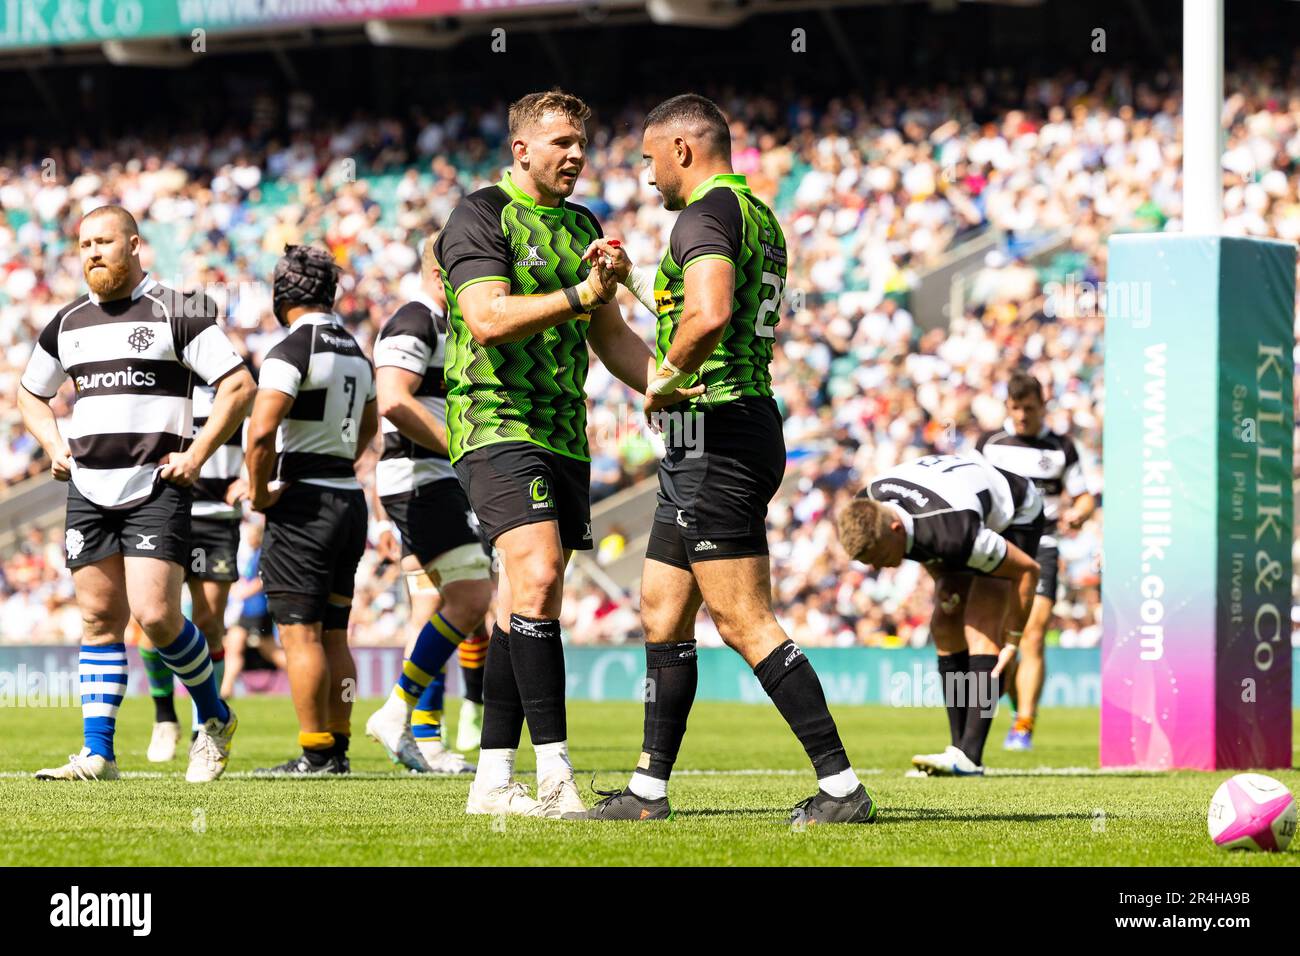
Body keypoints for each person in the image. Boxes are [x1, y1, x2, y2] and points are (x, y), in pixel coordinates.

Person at [582, 94, 874, 824]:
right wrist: (627, 285)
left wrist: (665, 379)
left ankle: (843, 789)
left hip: (716, 433)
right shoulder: (754, 214)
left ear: (683, 149)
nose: (647, 177)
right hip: (718, 432)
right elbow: (707, 310)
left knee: (743, 619)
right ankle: (649, 791)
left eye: (650, 160)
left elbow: (708, 316)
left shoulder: (704, 215)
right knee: (661, 610)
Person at [434, 89, 697, 818]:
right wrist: (582, 292)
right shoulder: (479, 216)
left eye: (581, 141)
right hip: (494, 421)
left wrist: (673, 384)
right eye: (560, 142)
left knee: (528, 599)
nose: (576, 153)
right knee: (540, 574)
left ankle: (491, 782)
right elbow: (486, 319)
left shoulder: (582, 224)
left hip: (563, 432)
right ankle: (555, 779)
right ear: (521, 150)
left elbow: (610, 336)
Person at [17, 204, 253, 782]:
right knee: (99, 618)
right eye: (84, 244)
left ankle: (214, 717)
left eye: (104, 241)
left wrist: (195, 455)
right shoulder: (67, 323)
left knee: (156, 616)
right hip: (88, 488)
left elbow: (239, 385)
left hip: (157, 484)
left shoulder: (178, 310)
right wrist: (54, 445)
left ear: (135, 244)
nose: (93, 252)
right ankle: (99, 753)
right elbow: (30, 394)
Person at [244, 245, 378, 775]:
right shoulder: (356, 350)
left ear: (283, 295)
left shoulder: (290, 348)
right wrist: (342, 455)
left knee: (299, 632)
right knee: (335, 631)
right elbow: (370, 425)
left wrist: (258, 494)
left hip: (303, 502)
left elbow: (259, 433)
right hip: (347, 496)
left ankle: (316, 751)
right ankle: (337, 748)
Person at [364, 238, 492, 774]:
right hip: (422, 480)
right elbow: (392, 399)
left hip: (421, 479)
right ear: (444, 273)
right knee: (471, 598)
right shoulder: (415, 319)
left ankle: (427, 739)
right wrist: (455, 446)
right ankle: (395, 712)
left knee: (428, 610)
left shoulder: (442, 325)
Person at [836, 452, 1043, 776]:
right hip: (952, 505)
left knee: (981, 621)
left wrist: (1013, 642)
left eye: (878, 557)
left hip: (1014, 513)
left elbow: (1028, 571)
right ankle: (956, 749)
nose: (876, 567)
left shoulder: (953, 531)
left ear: (893, 529)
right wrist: (945, 581)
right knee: (945, 622)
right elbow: (922, 546)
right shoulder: (867, 504)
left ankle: (970, 757)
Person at [976, 371, 1099, 750]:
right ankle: (1016, 706)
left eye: (1030, 408)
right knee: (999, 639)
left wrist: (1078, 513)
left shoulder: (1062, 447)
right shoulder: (990, 444)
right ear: (1007, 408)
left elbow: (1084, 497)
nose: (1023, 416)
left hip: (1042, 543)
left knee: (1033, 633)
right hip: (997, 546)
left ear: (1043, 406)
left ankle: (1024, 725)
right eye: (1016, 408)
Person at [143, 357, 250, 762]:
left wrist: (254, 478)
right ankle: (163, 715)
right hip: (163, 509)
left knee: (209, 623)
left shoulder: (239, 384)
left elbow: (270, 429)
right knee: (152, 618)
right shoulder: (162, 381)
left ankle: (203, 728)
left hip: (216, 519)